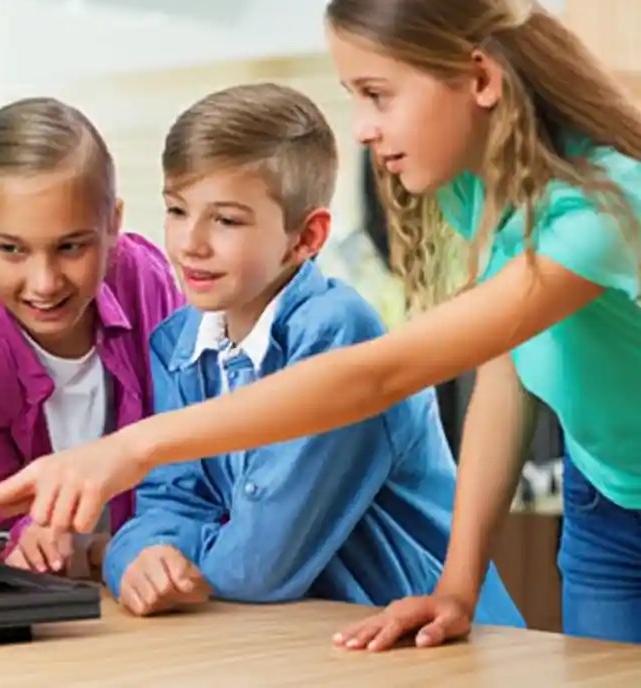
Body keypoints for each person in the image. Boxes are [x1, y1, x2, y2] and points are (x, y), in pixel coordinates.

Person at [0, 0, 641, 647]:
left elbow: (377, 376)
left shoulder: (600, 214)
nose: (363, 129)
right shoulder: (479, 193)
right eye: (354, 97)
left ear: (481, 79)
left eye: (378, 95)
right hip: (604, 495)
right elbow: (506, 371)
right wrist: (457, 585)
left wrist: (126, 455)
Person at [103, 84, 522, 627]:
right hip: (308, 640)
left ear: (306, 236)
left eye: (226, 220)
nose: (190, 243)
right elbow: (169, 503)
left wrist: (171, 557)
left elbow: (260, 567)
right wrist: (138, 558)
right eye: (177, 210)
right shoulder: (177, 343)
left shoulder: (337, 332)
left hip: (430, 642)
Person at [0, 97, 183, 575]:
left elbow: (187, 429)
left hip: (156, 564)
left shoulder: (144, 280)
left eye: (71, 247)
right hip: (66, 589)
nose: (45, 282)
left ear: (113, 224)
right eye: (12, 249)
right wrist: (26, 535)